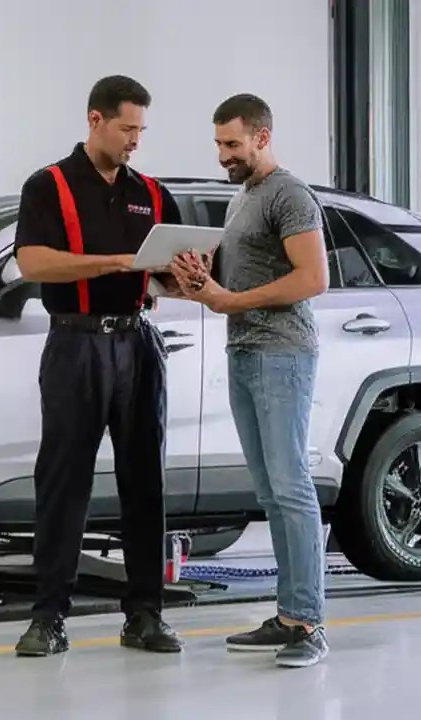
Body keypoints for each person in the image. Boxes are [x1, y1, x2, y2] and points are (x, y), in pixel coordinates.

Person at [10, 74, 186, 657]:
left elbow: (165, 278)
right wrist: (108, 263)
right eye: (127, 127)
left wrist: (183, 276)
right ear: (95, 120)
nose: (136, 139)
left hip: (138, 345)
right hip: (75, 345)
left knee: (145, 482)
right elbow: (33, 261)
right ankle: (48, 618)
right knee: (63, 482)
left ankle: (145, 614)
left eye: (141, 129)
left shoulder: (154, 195)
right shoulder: (49, 185)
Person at [171, 93, 331, 668]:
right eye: (218, 144)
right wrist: (203, 281)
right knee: (270, 492)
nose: (223, 155)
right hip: (245, 351)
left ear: (262, 137)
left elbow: (313, 278)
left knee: (291, 490)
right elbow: (250, 274)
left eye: (232, 144)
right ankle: (289, 615)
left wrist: (231, 298)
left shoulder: (288, 193)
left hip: (282, 355)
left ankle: (309, 623)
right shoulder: (245, 197)